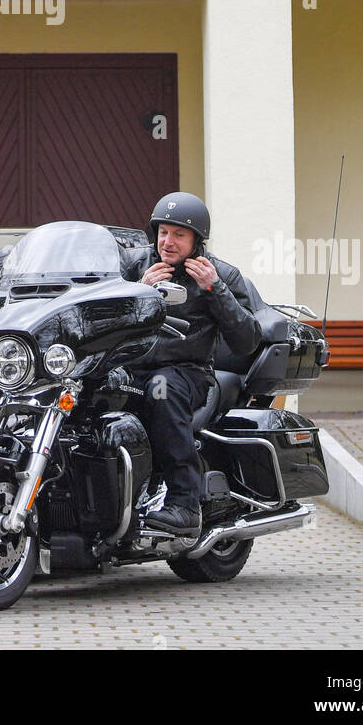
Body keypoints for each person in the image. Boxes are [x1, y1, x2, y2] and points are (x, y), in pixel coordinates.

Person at [121, 191, 261, 537]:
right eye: (163, 232)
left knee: (161, 390)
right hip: (128, 368)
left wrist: (215, 290)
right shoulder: (133, 266)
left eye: (178, 234)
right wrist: (136, 292)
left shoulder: (221, 274)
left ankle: (185, 505)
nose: (168, 242)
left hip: (187, 373)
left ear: (196, 239)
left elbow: (248, 340)